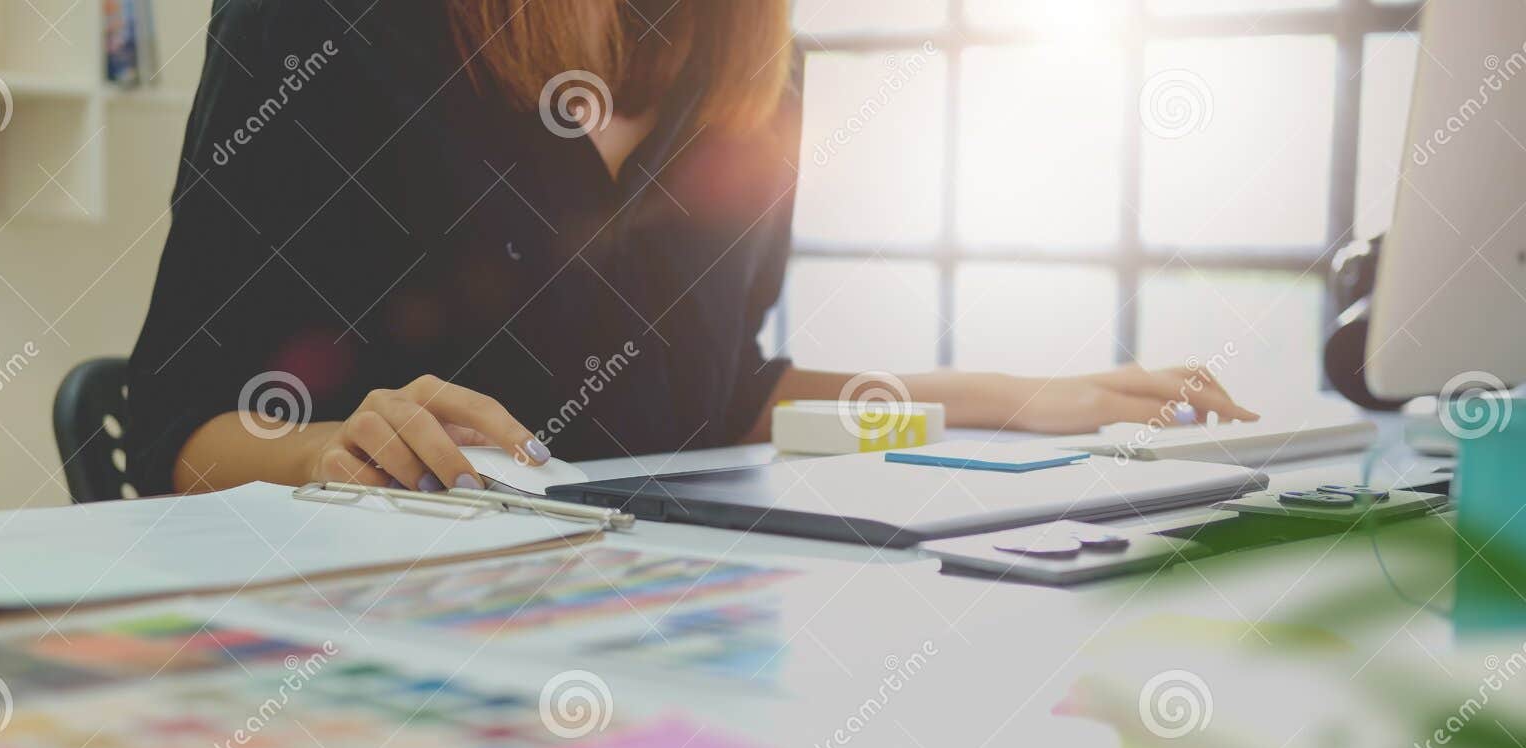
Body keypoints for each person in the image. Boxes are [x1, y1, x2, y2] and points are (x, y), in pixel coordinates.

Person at [125, 0, 1257, 497]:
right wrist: (332, 453)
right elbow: (181, 432)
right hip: (377, 656)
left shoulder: (762, 74)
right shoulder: (315, 25)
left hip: (659, 642)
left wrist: (1016, 398)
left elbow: (715, 395)